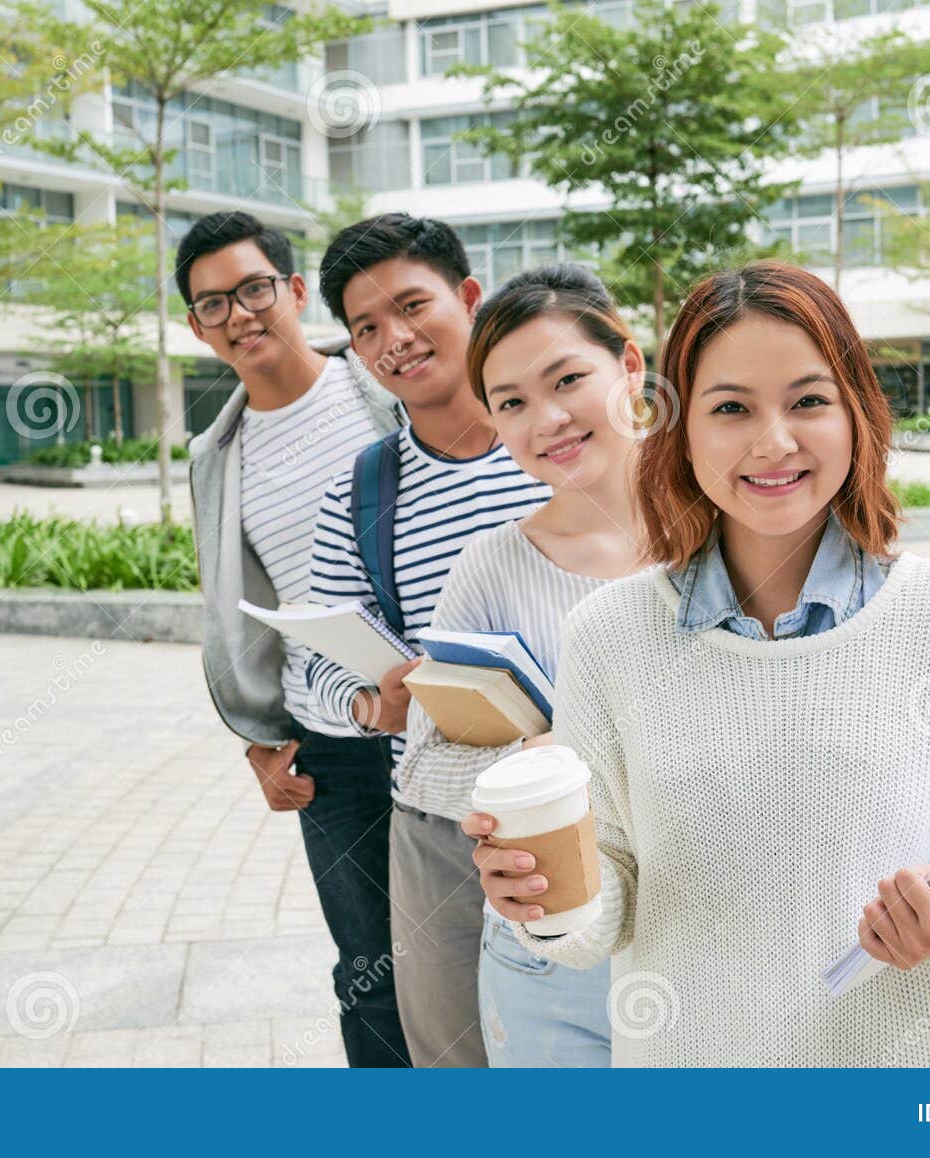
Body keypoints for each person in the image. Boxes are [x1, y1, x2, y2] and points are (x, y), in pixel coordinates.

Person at [464, 260, 930, 1066]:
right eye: (731, 408)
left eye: (808, 401)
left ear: (857, 413)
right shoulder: (609, 636)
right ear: (681, 429)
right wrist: (545, 899)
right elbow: (607, 904)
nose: (774, 442)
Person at [305, 214, 551, 1067]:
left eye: (413, 307)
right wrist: (371, 705)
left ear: (469, 297)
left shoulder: (561, 447)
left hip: (595, 799)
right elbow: (315, 665)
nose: (395, 341)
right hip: (442, 827)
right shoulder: (361, 493)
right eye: (367, 328)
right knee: (453, 1062)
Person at [393, 264, 645, 1067]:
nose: (548, 420)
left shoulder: (732, 534)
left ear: (629, 366)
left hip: (710, 939)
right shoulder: (490, 567)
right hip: (548, 952)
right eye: (511, 403)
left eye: (567, 379)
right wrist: (534, 761)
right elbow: (420, 768)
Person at [180, 211, 409, 1067]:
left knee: (482, 949)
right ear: (196, 327)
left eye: (253, 290)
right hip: (332, 746)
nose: (238, 315)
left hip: (443, 714)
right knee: (369, 973)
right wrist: (260, 738)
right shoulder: (216, 454)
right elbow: (236, 609)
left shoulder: (381, 389)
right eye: (213, 304)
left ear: (297, 291)